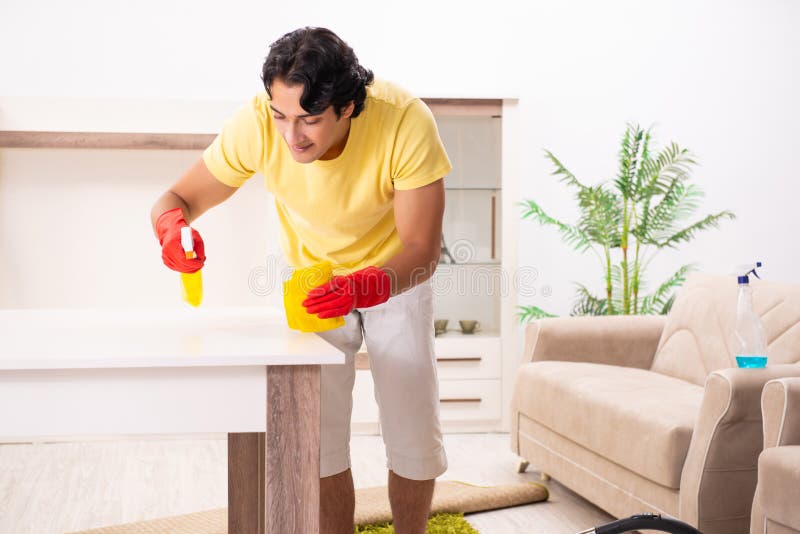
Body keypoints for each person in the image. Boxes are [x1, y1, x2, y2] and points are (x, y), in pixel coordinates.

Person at [150, 26, 451, 534]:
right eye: (281, 115)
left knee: (412, 429)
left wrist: (361, 287)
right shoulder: (256, 123)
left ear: (347, 107)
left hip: (394, 274)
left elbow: (422, 249)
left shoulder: (404, 120)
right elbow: (175, 199)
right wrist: (171, 231)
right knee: (319, 436)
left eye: (310, 119)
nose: (292, 136)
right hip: (312, 279)